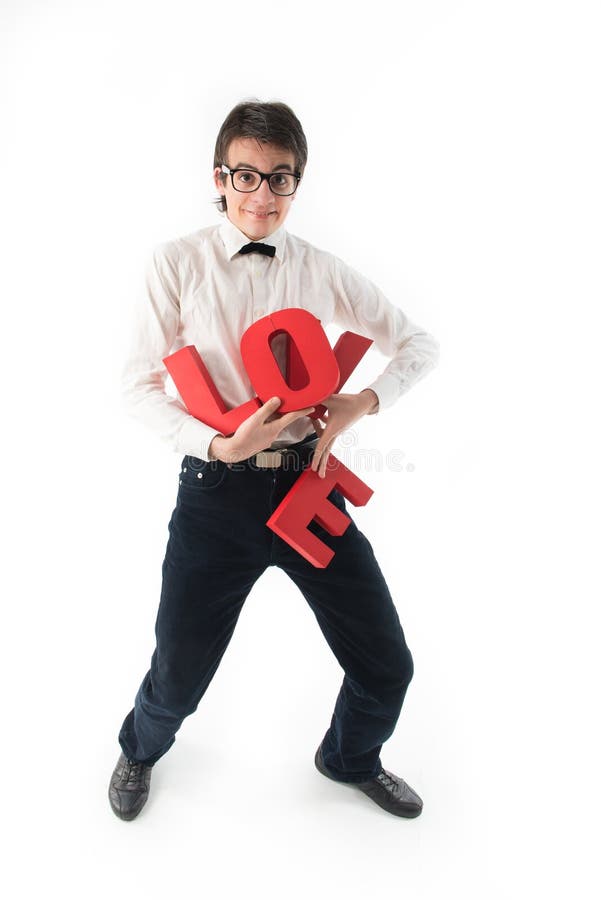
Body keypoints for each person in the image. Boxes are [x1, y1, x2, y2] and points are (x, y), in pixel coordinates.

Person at [109, 99, 439, 822]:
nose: (262, 195)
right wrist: (219, 445)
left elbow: (416, 344)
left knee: (387, 664)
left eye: (280, 178)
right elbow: (135, 387)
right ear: (220, 178)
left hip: (309, 493)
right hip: (215, 495)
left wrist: (364, 403)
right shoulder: (175, 263)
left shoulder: (320, 270)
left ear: (297, 183)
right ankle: (138, 749)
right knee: (178, 676)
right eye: (247, 176)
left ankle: (349, 757)